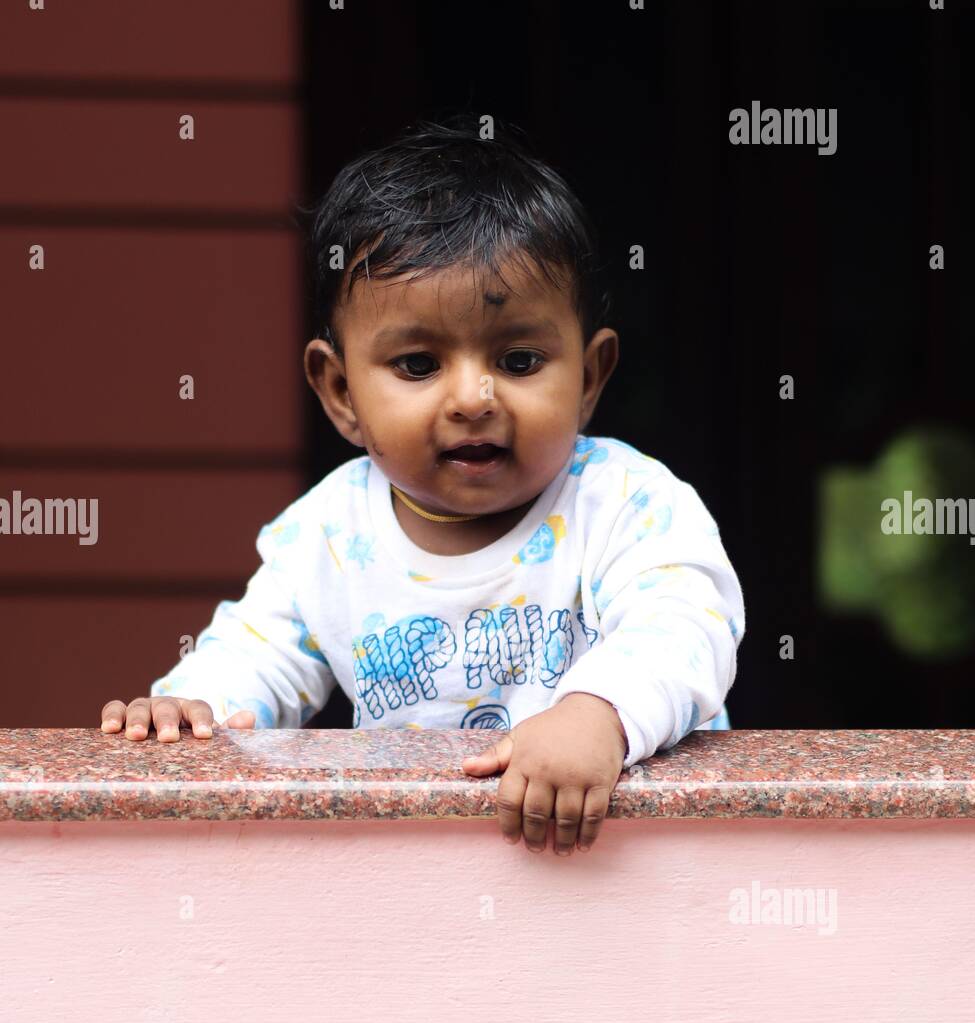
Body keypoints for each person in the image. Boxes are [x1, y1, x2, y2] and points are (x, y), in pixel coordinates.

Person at [99, 115, 745, 855]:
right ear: (339, 390)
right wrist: (192, 704)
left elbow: (686, 627)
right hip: (424, 867)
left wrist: (598, 712)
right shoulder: (330, 533)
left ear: (590, 377)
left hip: (627, 862)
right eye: (417, 365)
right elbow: (260, 651)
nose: (473, 397)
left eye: (520, 360)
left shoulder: (627, 503)